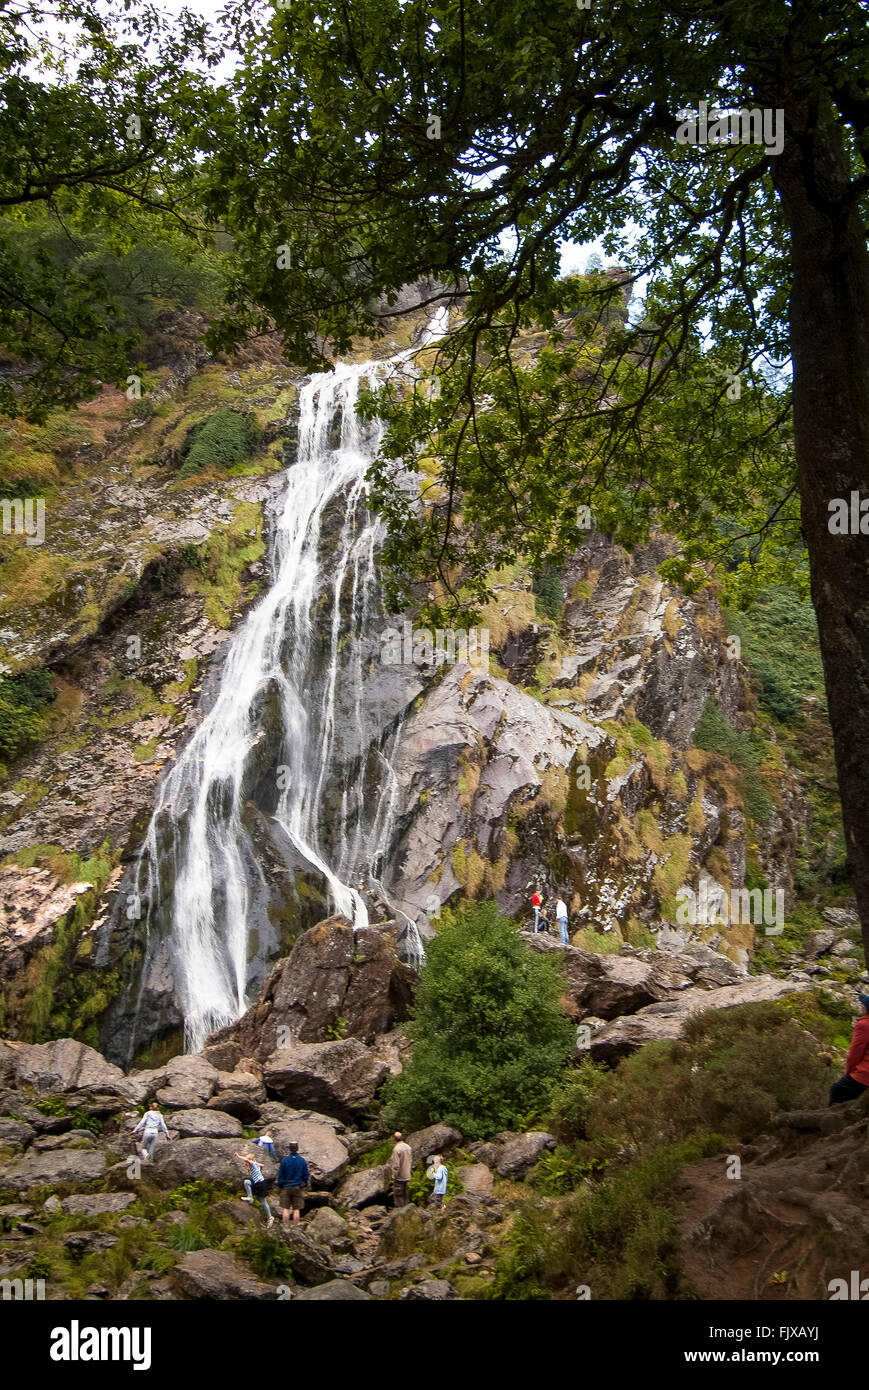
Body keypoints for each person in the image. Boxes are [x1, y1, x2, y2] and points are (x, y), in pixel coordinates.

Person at [829, 994, 869, 1105]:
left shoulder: (863, 1025)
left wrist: (849, 1072)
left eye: (863, 1005)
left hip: (864, 1074)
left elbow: (855, 1054)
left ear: (865, 1009)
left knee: (837, 1091)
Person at [235, 1151, 274, 1228]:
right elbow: (262, 1165)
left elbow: (247, 1160)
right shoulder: (255, 1164)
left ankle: (270, 1217)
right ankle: (250, 1197)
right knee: (246, 1182)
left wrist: (238, 1156)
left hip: (261, 1184)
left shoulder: (252, 1163)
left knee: (263, 1201)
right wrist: (259, 1170)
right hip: (257, 1183)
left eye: (247, 1160)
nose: (246, 1163)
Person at [276, 1142, 309, 1225]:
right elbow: (306, 1175)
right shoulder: (302, 1160)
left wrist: (280, 1185)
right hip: (297, 1187)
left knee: (285, 1209)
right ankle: (295, 1228)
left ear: (289, 1148)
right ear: (297, 1148)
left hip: (286, 1186)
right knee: (296, 1209)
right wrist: (304, 1183)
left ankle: (285, 1228)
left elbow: (280, 1174)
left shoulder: (285, 1160)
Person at [389, 1131, 413, 1208]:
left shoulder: (396, 1149)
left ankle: (400, 1212)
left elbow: (396, 1165)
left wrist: (394, 1176)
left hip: (399, 1176)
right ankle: (406, 1211)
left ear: (394, 1139)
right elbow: (411, 1160)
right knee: (406, 1194)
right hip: (407, 1175)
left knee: (398, 1195)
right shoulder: (408, 1147)